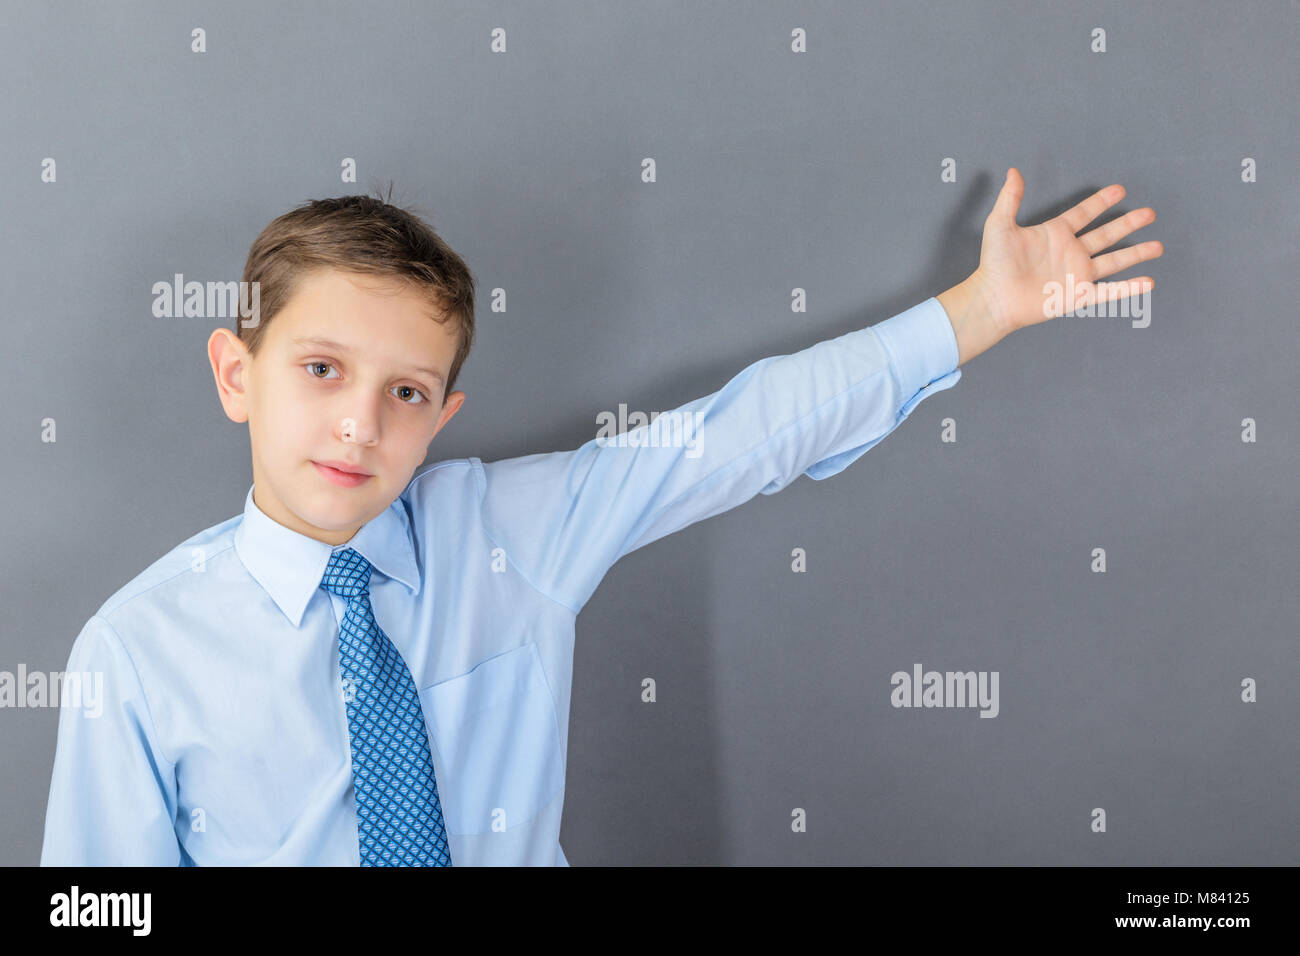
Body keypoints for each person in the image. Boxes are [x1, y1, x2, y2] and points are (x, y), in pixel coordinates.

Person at [39, 169, 1162, 865]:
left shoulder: (514, 531)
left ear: (443, 414)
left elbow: (743, 433)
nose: (357, 427)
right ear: (237, 374)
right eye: (321, 369)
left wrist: (981, 309)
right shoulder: (136, 651)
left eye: (406, 393)